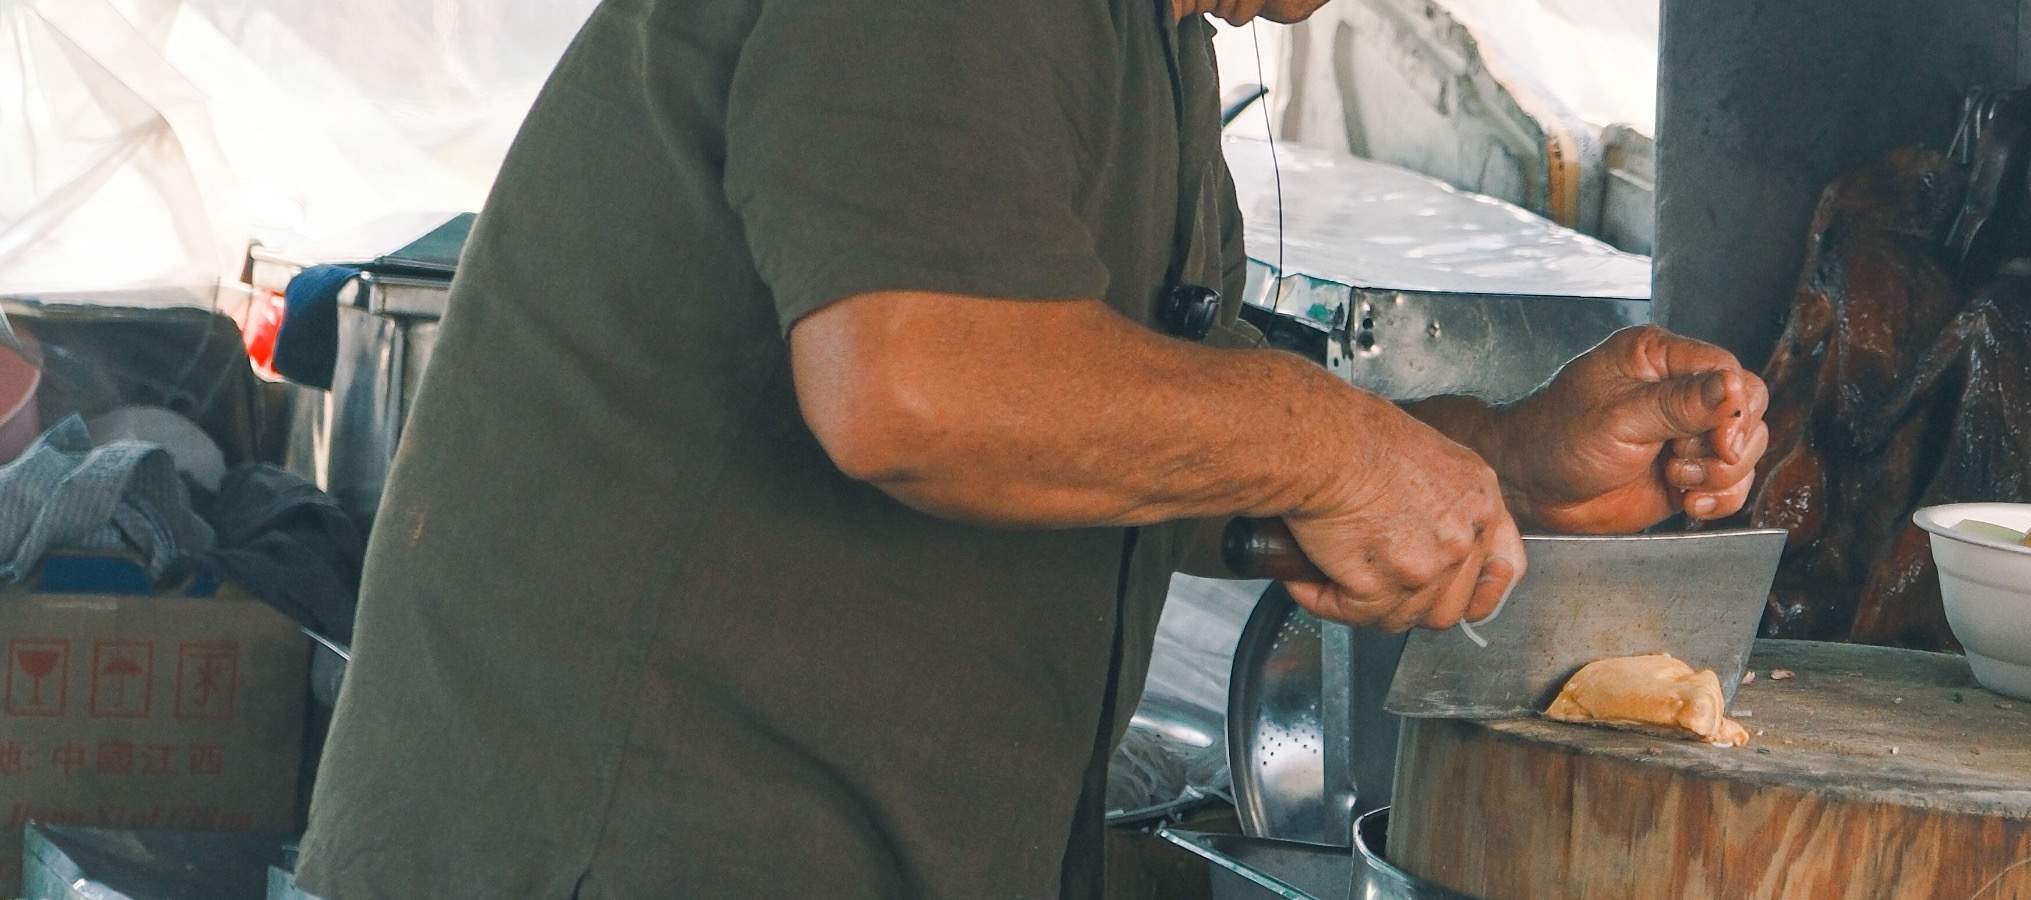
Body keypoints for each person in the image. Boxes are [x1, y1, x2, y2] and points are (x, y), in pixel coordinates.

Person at [294, 0, 1767, 897]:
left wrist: (1500, 461)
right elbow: (914, 384)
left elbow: (1112, 425)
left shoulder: (1154, 46)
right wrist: (1322, 442)